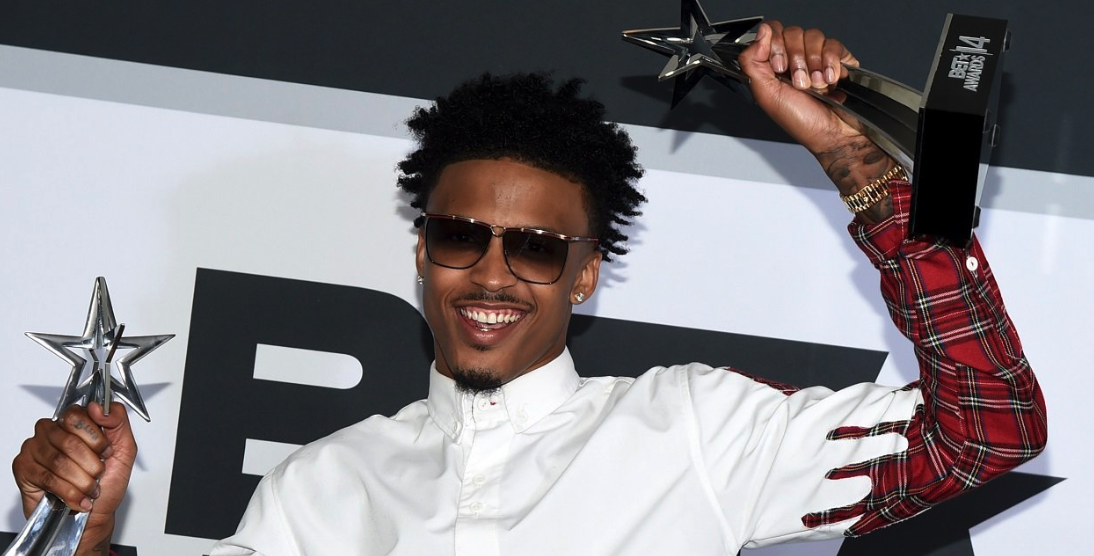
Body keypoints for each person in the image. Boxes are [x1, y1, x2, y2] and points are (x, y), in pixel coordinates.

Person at [11, 23, 1046, 555]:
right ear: (422, 252)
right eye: (461, 235)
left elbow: (986, 430)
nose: (493, 272)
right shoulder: (319, 489)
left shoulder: (688, 428)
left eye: (538, 248)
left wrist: (851, 158)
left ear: (587, 271)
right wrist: (84, 538)